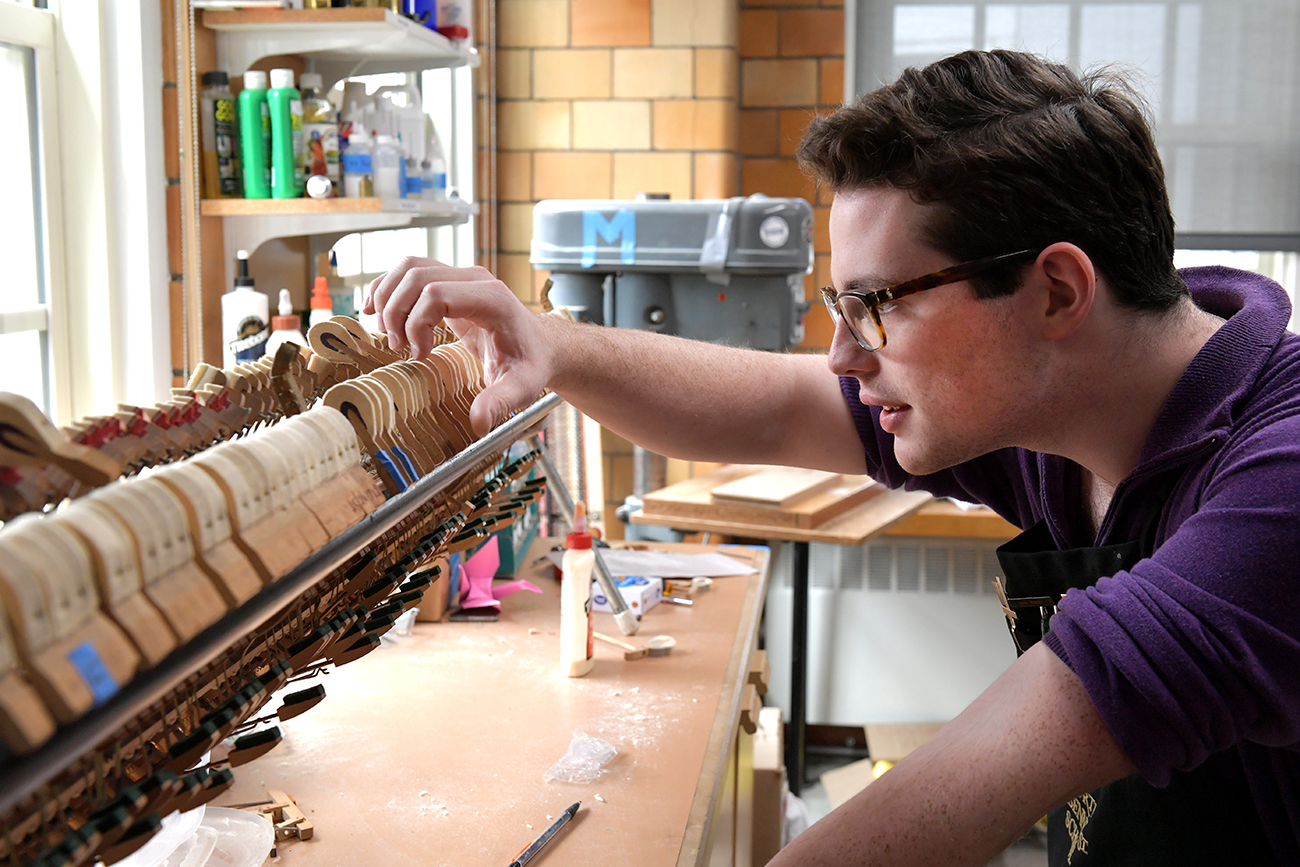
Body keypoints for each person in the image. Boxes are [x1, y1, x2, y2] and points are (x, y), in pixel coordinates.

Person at [364, 49, 1300, 866]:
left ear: (1055, 291)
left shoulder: (1281, 480)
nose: (845, 355)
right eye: (839, 307)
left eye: (878, 305)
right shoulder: (1075, 406)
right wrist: (551, 345)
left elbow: (1016, 749)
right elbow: (781, 406)